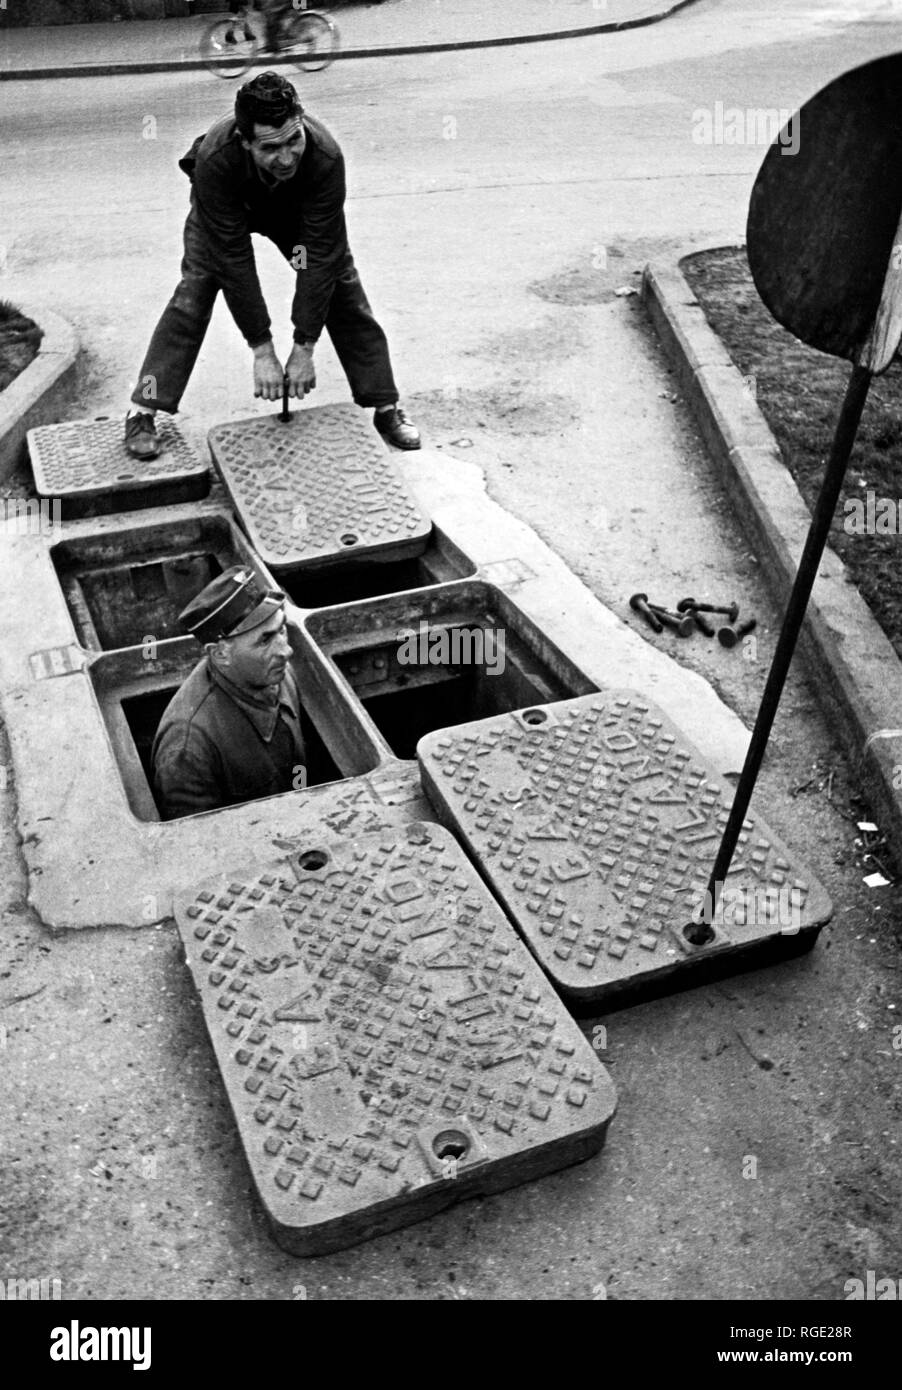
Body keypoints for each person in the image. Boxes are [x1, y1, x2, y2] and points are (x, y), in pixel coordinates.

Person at [125, 71, 420, 461]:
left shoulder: (325, 156)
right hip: (229, 209)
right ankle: (143, 409)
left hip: (293, 215)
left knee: (342, 287)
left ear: (301, 124)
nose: (286, 158)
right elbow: (234, 264)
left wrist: (304, 346)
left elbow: (319, 260)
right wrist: (261, 348)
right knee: (193, 295)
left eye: (293, 140)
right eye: (270, 147)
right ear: (244, 142)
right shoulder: (216, 161)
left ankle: (384, 405)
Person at [151, 566, 307, 820]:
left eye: (281, 629)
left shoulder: (277, 672)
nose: (286, 651)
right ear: (220, 654)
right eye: (265, 640)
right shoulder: (187, 749)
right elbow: (199, 845)